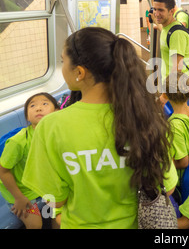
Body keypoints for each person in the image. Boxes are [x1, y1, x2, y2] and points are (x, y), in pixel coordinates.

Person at [22, 27, 178, 229]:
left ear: (79, 72)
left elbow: (54, 201)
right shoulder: (144, 117)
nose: (62, 68)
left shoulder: (51, 127)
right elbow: (170, 187)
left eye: (63, 61)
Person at [0, 92, 59, 229]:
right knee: (35, 224)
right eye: (32, 106)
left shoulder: (57, 135)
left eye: (45, 103)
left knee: (60, 213)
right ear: (27, 116)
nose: (38, 108)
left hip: (41, 184)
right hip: (20, 190)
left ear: (57, 111)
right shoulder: (18, 142)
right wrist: (18, 198)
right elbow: (3, 171)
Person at [162, 72, 189, 179]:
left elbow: (183, 162)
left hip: (186, 178)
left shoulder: (174, 125)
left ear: (166, 95)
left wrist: (165, 164)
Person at [153, 0, 189, 83]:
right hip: (170, 85)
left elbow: (177, 68)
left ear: (171, 11)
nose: (157, 14)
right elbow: (163, 30)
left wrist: (166, 94)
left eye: (161, 10)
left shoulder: (176, 34)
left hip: (177, 89)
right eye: (155, 9)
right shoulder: (167, 28)